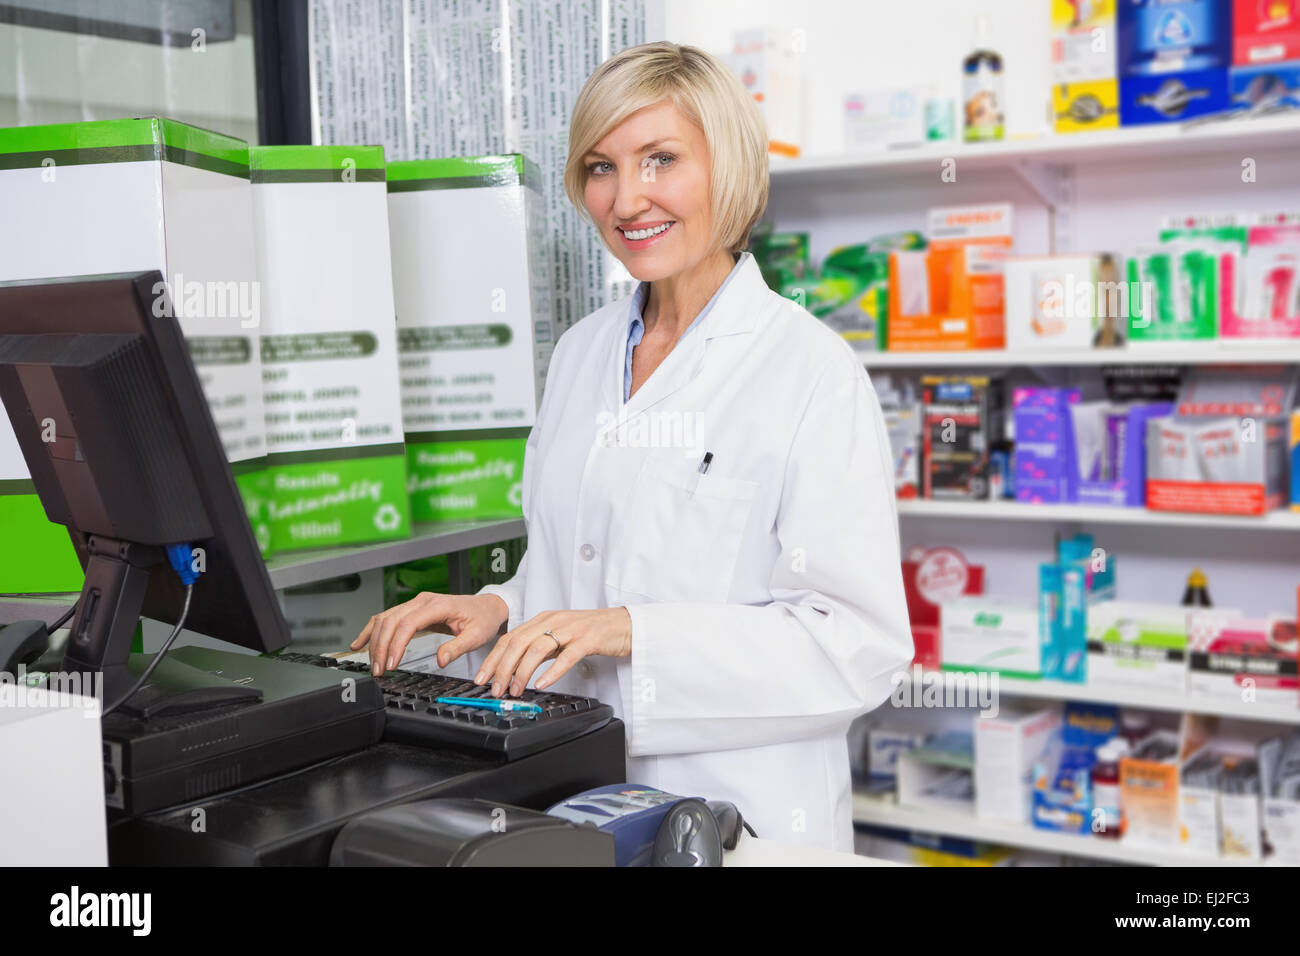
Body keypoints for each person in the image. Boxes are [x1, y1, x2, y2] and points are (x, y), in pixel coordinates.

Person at [352, 40, 912, 852]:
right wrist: (500, 607)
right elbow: (581, 566)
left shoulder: (810, 371)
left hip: (739, 820)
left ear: (728, 167)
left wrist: (631, 632)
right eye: (600, 166)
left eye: (661, 159)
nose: (627, 198)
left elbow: (856, 647)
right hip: (573, 795)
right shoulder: (581, 351)